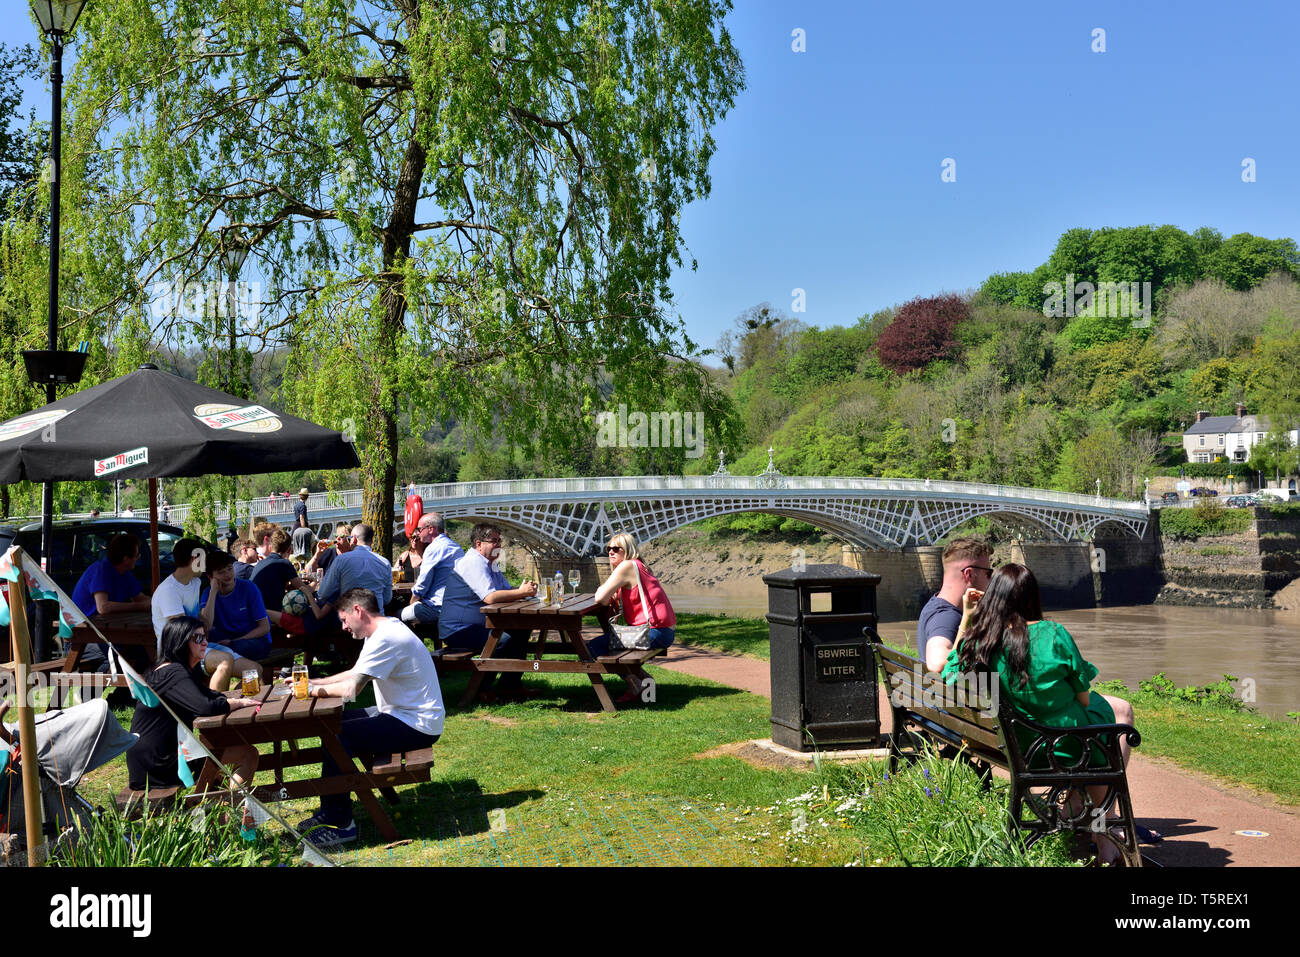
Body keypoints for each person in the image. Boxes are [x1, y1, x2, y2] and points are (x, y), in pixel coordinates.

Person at [940, 563, 1156, 861]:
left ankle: (1079, 808)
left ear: (993, 598)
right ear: (1033, 598)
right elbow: (1082, 699)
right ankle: (1101, 827)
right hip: (1063, 748)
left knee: (1103, 726)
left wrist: (967, 616)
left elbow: (949, 677)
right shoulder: (1053, 633)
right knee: (1112, 724)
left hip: (1016, 746)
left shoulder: (982, 640)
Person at [297, 588, 444, 846]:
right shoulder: (383, 629)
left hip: (417, 723)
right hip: (403, 713)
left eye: (343, 620)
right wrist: (315, 681)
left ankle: (341, 824)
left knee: (336, 735)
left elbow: (351, 690)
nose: (343, 627)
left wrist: (309, 690)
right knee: (332, 726)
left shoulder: (385, 638)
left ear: (358, 611)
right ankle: (331, 810)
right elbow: (356, 672)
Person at [126, 616, 259, 792]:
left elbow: (208, 695)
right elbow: (205, 707)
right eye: (197, 638)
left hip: (148, 760)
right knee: (247, 754)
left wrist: (228, 700)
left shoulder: (167, 669)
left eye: (205, 637)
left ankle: (217, 809)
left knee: (219, 763)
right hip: (160, 762)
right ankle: (232, 813)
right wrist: (237, 703)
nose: (205, 643)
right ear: (180, 641)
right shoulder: (174, 672)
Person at [438, 523, 537, 698]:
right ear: (478, 543)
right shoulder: (472, 563)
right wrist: (520, 593)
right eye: (494, 541)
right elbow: (490, 597)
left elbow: (505, 590)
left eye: (499, 541)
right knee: (502, 640)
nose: (498, 545)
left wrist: (521, 591)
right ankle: (481, 689)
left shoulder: (491, 563)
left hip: (477, 625)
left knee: (522, 628)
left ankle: (510, 685)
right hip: (458, 629)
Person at [152, 538, 256, 691]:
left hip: (198, 643)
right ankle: (215, 710)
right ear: (195, 559)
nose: (206, 564)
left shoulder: (195, 582)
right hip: (179, 650)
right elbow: (183, 633)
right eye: (203, 559)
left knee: (254, 671)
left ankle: (228, 705)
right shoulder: (169, 590)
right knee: (224, 661)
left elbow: (206, 624)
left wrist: (213, 591)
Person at [588, 532, 676, 704]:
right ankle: (644, 681)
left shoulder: (627, 565)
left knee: (594, 645)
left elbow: (600, 598)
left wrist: (602, 588)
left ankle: (636, 683)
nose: (610, 552)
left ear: (627, 550)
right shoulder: (639, 566)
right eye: (608, 549)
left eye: (616, 548)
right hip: (663, 631)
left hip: (654, 632)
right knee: (610, 644)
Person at [70, 533, 151, 672]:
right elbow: (103, 607)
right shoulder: (101, 570)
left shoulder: (125, 574)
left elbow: (141, 598)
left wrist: (158, 602)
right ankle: (85, 694)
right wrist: (139, 606)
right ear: (126, 559)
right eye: (136, 555)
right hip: (82, 638)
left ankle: (122, 695)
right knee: (116, 658)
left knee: (143, 653)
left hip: (105, 634)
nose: (138, 558)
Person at [918, 537, 994, 673]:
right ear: (969, 574)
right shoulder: (946, 617)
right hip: (953, 694)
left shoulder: (935, 604)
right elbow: (937, 663)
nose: (991, 579)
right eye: (988, 573)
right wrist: (967, 620)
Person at [200, 550, 272, 663]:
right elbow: (206, 626)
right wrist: (213, 593)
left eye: (229, 569)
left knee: (232, 649)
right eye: (221, 572)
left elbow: (264, 627)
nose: (227, 575)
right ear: (210, 577)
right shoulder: (208, 593)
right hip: (225, 640)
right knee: (203, 647)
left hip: (253, 640)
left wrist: (235, 641)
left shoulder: (248, 588)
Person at [400, 512, 463, 628]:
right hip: (456, 606)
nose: (418, 533)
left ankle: (415, 645)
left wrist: (411, 602)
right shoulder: (456, 548)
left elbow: (422, 585)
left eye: (420, 529)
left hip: (436, 608)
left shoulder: (433, 549)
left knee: (395, 617)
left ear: (431, 529)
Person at [315, 522, 392, 614]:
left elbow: (323, 594)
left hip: (351, 621)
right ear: (371, 541)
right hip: (377, 620)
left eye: (349, 538)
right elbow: (387, 599)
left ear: (354, 539)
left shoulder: (341, 560)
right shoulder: (385, 562)